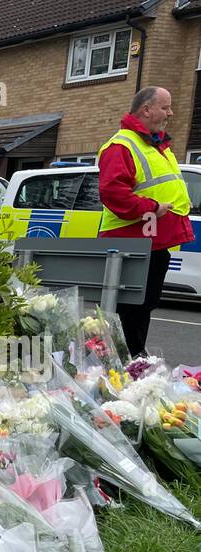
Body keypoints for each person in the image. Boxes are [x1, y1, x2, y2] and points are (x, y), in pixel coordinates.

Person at [98, 86, 195, 356]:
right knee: (131, 306)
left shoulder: (157, 145)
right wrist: (152, 208)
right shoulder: (122, 145)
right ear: (146, 109)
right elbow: (113, 193)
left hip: (152, 241)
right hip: (132, 241)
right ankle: (123, 358)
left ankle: (133, 356)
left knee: (144, 303)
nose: (170, 113)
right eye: (165, 107)